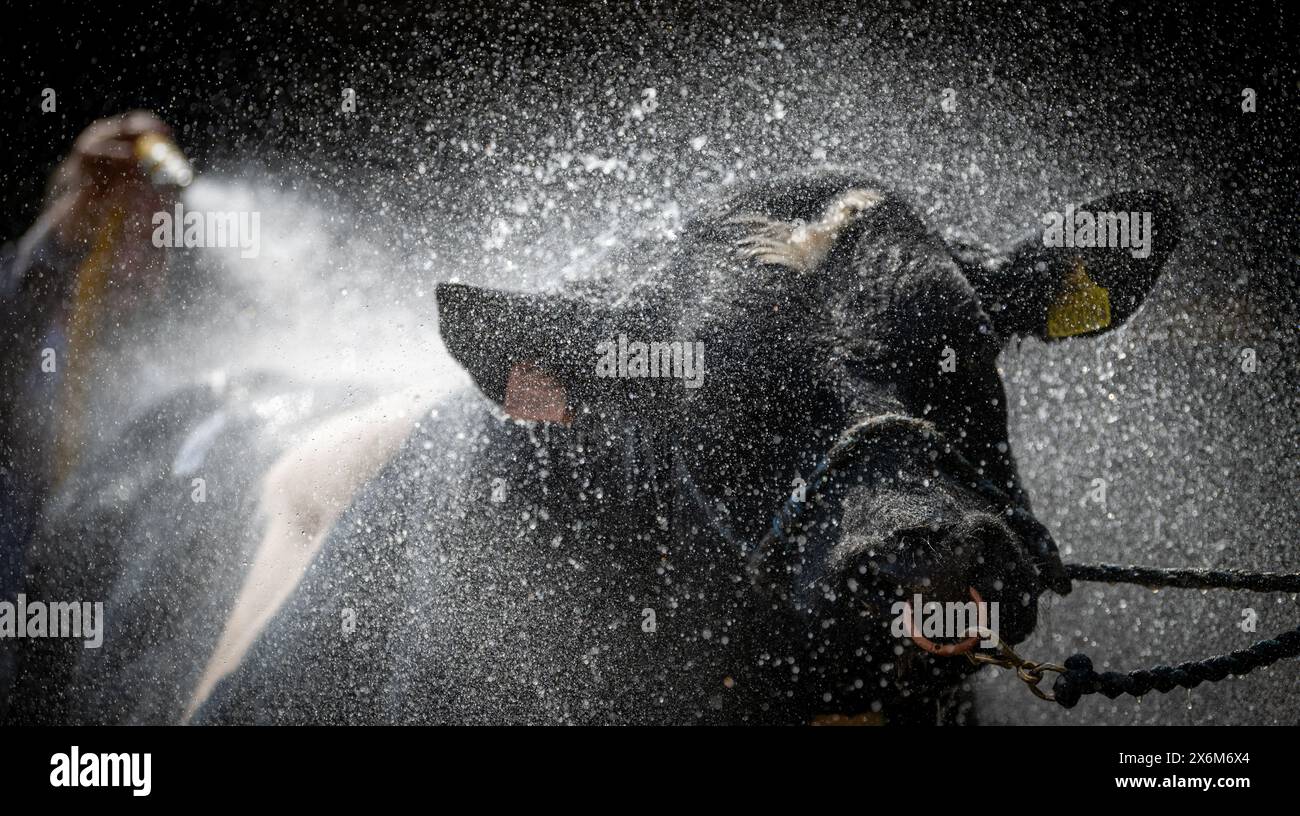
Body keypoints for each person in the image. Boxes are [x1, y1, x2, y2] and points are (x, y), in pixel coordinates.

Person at [0, 112, 184, 701]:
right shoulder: (27, 323)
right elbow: (23, 294)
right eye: (124, 232)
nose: (143, 257)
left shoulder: (174, 368)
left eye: (160, 238)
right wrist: (66, 230)